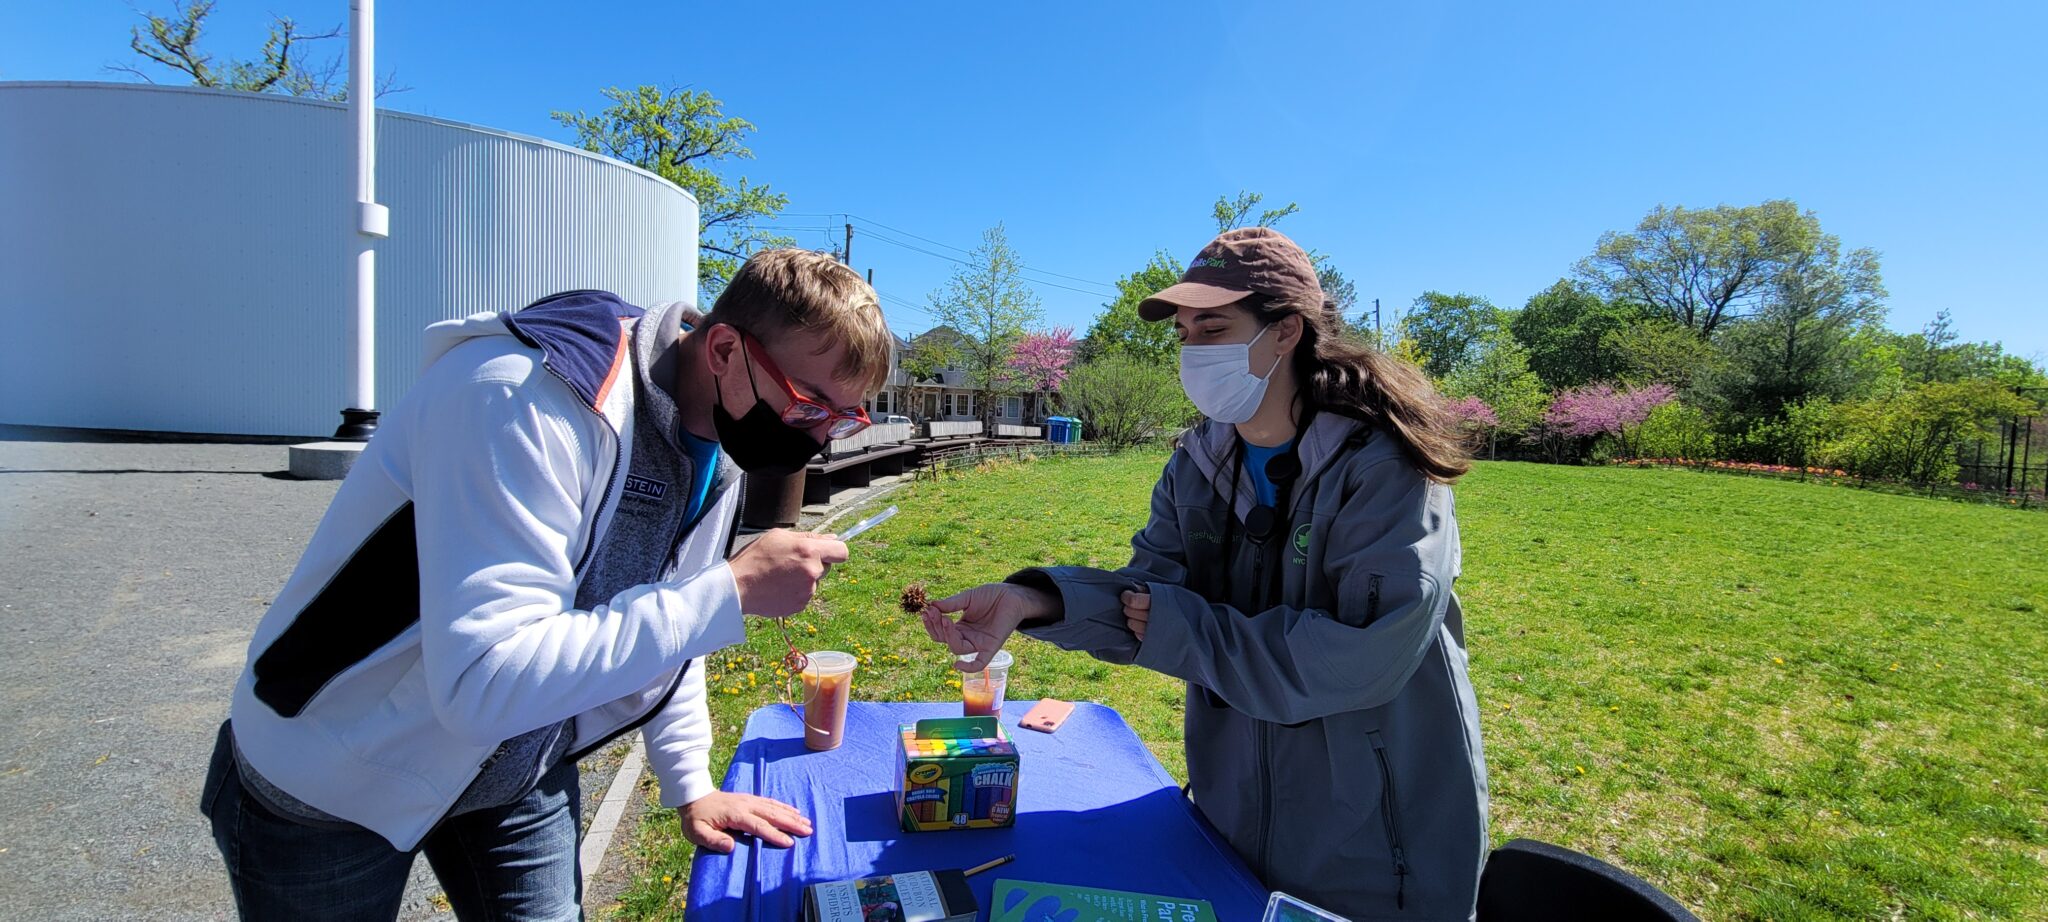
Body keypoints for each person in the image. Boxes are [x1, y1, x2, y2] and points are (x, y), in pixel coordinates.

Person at [203, 249, 893, 920]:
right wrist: (729, 593)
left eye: (844, 417)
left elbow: (674, 615)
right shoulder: (522, 396)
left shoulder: (723, 434)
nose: (821, 440)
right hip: (332, 782)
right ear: (721, 351)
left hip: (518, 764)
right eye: (809, 405)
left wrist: (690, 785)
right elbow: (484, 680)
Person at [921, 228, 1488, 919]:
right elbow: (1148, 599)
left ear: (1285, 333)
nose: (1193, 350)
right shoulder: (1197, 464)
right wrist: (1032, 601)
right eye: (1186, 332)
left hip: (1373, 851)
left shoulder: (1385, 466)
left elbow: (1356, 659)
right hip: (1231, 824)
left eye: (1214, 328)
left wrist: (1182, 627)